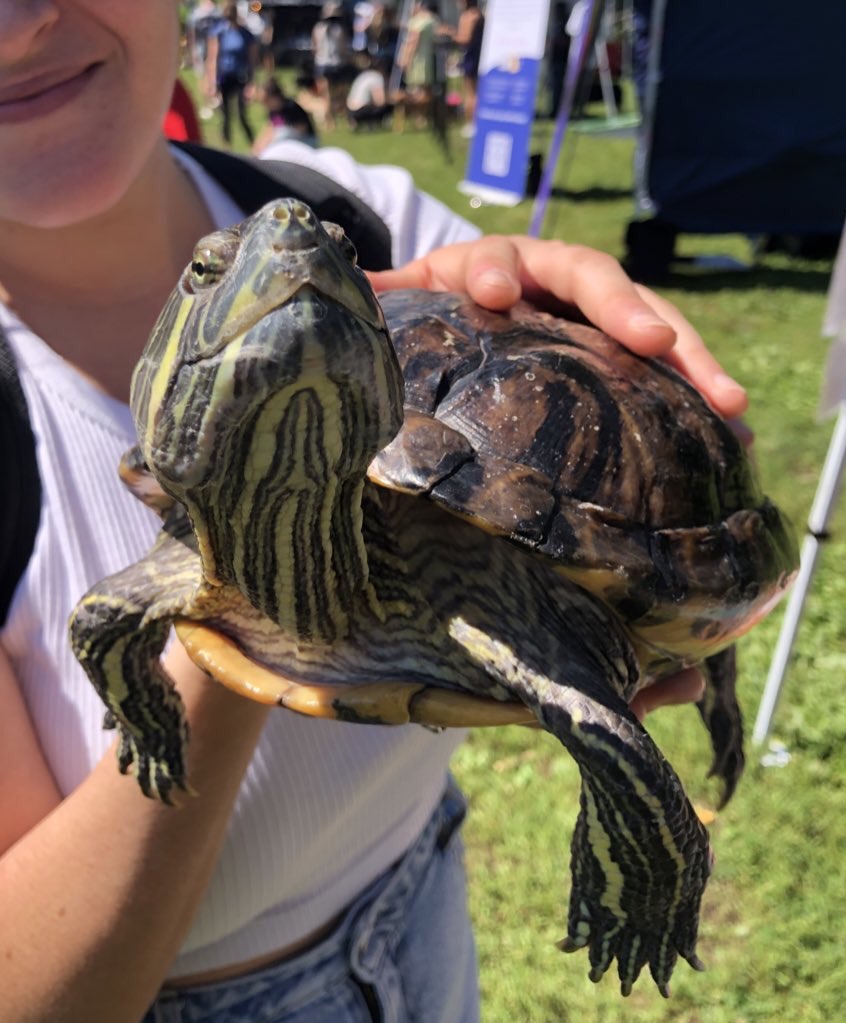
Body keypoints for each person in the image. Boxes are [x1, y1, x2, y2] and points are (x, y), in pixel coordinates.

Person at [0, 3, 749, 1022]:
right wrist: (234, 606)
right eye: (218, 275)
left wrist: (627, 380)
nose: (16, 27)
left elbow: (653, 465)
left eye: (326, 276)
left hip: (418, 897)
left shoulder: (371, 219)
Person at [206, 2, 259, 146]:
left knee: (242, 114)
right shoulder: (219, 32)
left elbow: (253, 59)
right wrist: (212, 82)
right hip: (224, 76)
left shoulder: (246, 34)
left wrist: (252, 82)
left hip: (240, 76)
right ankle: (226, 145)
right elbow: (213, 57)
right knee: (225, 116)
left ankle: (254, 144)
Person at [440, 0, 484, 138]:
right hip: (479, 56)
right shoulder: (480, 15)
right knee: (476, 91)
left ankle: (472, 123)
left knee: (470, 92)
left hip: (471, 56)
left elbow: (464, 39)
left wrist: (449, 32)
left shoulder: (468, 16)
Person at [395, 0, 440, 129]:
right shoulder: (432, 20)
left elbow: (412, 43)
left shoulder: (418, 21)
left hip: (419, 59)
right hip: (424, 59)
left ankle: (415, 113)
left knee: (422, 91)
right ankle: (417, 115)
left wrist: (406, 59)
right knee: (423, 91)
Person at [311, 1, 353, 129]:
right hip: (338, 64)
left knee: (326, 94)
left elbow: (315, 47)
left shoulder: (318, 28)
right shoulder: (339, 29)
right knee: (342, 94)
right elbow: (343, 49)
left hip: (323, 64)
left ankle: (329, 121)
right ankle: (348, 119)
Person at [252, 77, 319, 154]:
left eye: (265, 100)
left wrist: (274, 139)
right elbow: (269, 130)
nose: (264, 104)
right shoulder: (273, 112)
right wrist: (257, 148)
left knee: (282, 134)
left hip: (307, 142)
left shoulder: (291, 107)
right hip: (290, 143)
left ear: (275, 98)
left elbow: (302, 129)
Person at [346, 55, 393, 129]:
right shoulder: (377, 77)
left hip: (350, 111)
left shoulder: (364, 74)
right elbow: (380, 101)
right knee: (388, 106)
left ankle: (360, 123)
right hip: (361, 111)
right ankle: (377, 123)